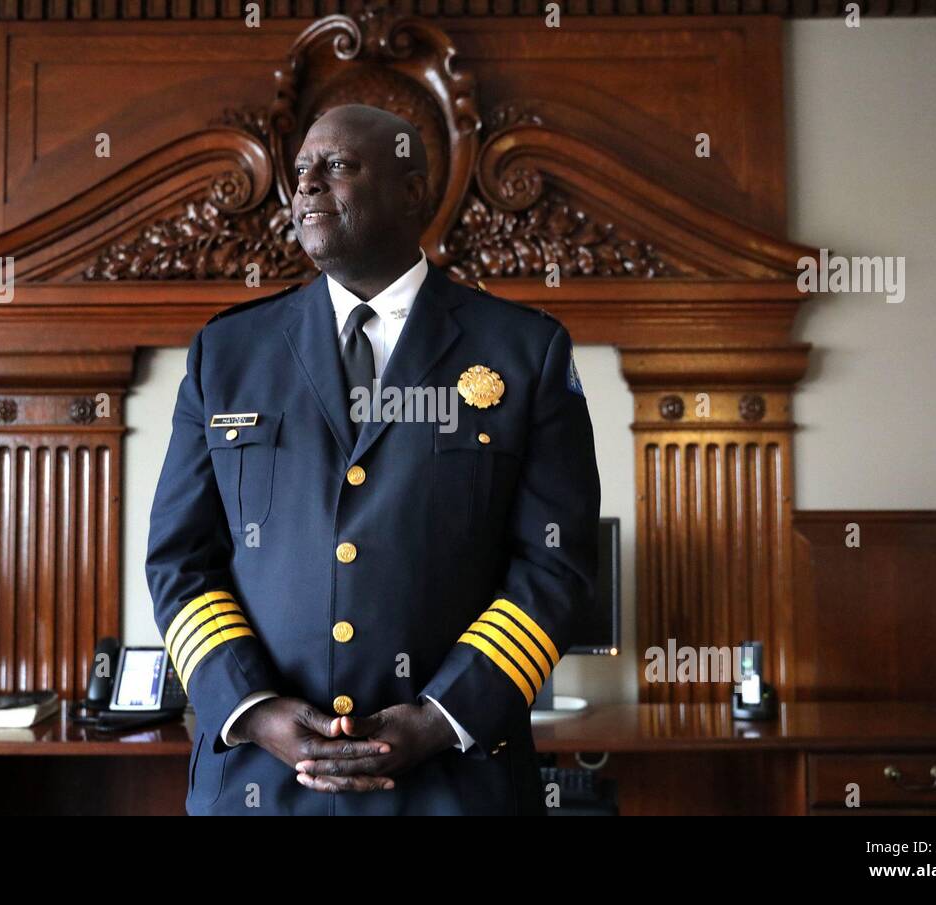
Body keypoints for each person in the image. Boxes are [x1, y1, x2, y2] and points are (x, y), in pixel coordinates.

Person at [146, 103, 601, 815]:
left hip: (453, 779)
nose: (306, 186)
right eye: (300, 172)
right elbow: (180, 559)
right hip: (260, 784)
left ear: (414, 191)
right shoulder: (227, 354)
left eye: (337, 167)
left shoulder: (523, 350)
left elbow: (556, 562)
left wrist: (440, 716)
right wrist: (256, 708)